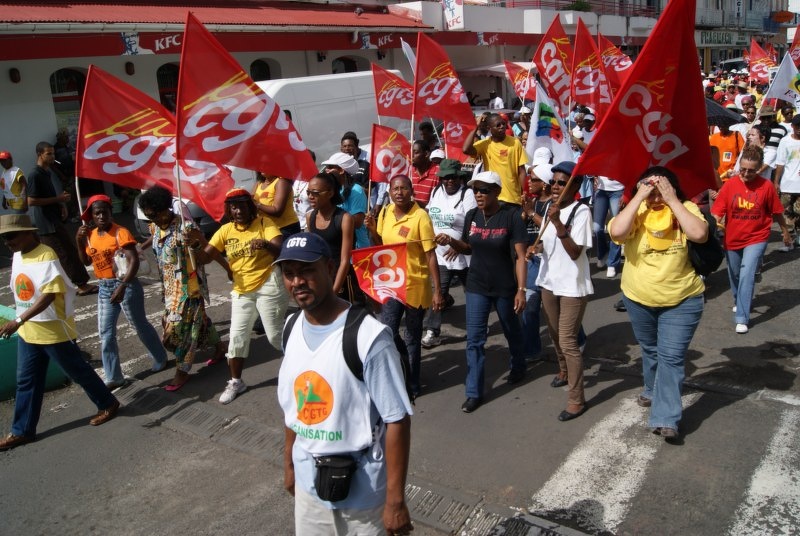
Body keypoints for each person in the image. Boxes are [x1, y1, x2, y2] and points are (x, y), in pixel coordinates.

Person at [275, 232, 413, 536]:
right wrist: (289, 464)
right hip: (310, 490)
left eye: (307, 270)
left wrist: (395, 500)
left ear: (329, 267)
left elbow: (396, 420)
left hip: (364, 498)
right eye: (289, 274)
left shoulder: (369, 337)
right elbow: (294, 409)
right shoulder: (291, 328)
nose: (297, 282)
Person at [0, 214, 120, 451]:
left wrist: (19, 319)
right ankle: (22, 431)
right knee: (26, 381)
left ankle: (108, 403)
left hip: (52, 331)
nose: (7, 242)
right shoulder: (18, 256)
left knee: (78, 372)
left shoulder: (46, 255)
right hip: (29, 332)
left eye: (11, 237)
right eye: (4, 238)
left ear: (27, 233)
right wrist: (21, 321)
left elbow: (49, 295)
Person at [608, 167, 708, 439]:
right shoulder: (635, 209)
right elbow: (616, 233)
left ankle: (666, 418)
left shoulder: (685, 207)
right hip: (638, 297)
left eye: (659, 191)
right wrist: (638, 196)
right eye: (650, 191)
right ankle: (652, 389)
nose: (655, 198)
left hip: (682, 298)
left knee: (671, 357)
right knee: (650, 348)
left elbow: (699, 234)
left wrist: (672, 200)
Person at [444, 171, 528, 413]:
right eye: (475, 190)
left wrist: (521, 290)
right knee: (475, 340)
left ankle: (519, 364)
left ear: (497, 192)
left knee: (511, 329)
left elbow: (521, 257)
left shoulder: (511, 216)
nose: (478, 194)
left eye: (484, 190)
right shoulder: (472, 216)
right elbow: (469, 248)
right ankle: (474, 392)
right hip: (477, 285)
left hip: (504, 287)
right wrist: (451, 241)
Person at [198, 188, 288, 404]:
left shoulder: (265, 224)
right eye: (233, 206)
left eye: (242, 205)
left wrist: (266, 244)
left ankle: (304, 364)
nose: (238, 210)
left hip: (269, 283)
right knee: (237, 338)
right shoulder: (225, 230)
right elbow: (204, 258)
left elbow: (280, 248)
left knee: (275, 335)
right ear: (229, 210)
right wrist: (194, 242)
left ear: (251, 206)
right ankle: (236, 381)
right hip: (241, 290)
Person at [75, 194, 168, 389]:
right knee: (106, 333)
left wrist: (123, 286)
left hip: (126, 285)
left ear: (111, 212)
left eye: (104, 212)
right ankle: (114, 377)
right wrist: (78, 240)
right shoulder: (90, 236)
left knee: (139, 324)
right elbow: (85, 262)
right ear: (91, 216)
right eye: (97, 213)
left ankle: (160, 356)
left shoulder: (121, 233)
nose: (101, 216)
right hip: (104, 287)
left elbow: (133, 261)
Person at [138, 186, 225, 391]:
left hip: (189, 288)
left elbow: (207, 250)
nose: (153, 220)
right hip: (169, 289)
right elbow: (157, 237)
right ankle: (219, 347)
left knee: (177, 333)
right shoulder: (155, 227)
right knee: (197, 322)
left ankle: (182, 371)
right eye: (149, 216)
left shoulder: (186, 227)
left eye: (155, 215)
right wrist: (140, 247)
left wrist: (227, 268)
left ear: (165, 208)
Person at [364, 175, 443, 397]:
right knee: (387, 330)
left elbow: (430, 255)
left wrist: (437, 291)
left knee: (412, 337)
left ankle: (413, 383)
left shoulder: (420, 217)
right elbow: (381, 246)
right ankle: (402, 369)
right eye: (395, 189)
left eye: (404, 188)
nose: (399, 192)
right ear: (389, 191)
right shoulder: (386, 212)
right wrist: (371, 229)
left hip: (415, 285)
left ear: (411, 191)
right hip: (391, 284)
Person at [536, 161, 594, 421]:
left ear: (576, 185)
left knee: (569, 341)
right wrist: (533, 249)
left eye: (562, 182)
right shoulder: (550, 207)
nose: (556, 187)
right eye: (554, 182)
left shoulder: (581, 211)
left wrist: (559, 224)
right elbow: (545, 243)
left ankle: (576, 400)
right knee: (554, 333)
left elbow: (574, 252)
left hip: (572, 285)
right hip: (549, 282)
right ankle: (563, 371)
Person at [712, 146, 792, 334]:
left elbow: (777, 212)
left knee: (747, 273)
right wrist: (711, 226)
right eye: (743, 169)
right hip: (733, 237)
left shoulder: (766, 187)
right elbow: (718, 212)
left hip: (757, 236)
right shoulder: (730, 185)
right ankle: (737, 298)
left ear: (759, 169)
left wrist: (785, 232)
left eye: (751, 170)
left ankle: (742, 316)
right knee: (734, 274)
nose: (746, 174)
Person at [26, 142, 97, 296]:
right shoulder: (35, 174)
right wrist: (57, 199)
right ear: (40, 154)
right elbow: (31, 201)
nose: (52, 157)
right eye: (49, 154)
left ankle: (65, 284)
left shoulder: (47, 172)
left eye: (53, 154)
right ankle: (81, 284)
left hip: (54, 218)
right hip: (46, 223)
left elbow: (49, 196)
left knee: (60, 253)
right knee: (64, 252)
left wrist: (61, 204)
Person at [422, 159, 477, 348]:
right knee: (438, 291)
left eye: (452, 177)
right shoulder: (437, 192)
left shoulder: (467, 194)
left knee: (472, 294)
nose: (449, 181)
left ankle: (477, 326)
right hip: (440, 256)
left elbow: (472, 222)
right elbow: (428, 215)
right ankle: (432, 331)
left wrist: (458, 244)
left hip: (464, 255)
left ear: (459, 177)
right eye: (445, 178)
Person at [305, 172, 362, 303]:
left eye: (315, 193)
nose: (310, 197)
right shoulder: (310, 217)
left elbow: (345, 260)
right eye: (308, 192)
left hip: (342, 279)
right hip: (320, 278)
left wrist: (333, 292)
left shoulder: (344, 218)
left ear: (330, 193)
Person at [521, 164, 553, 361]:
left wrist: (532, 213)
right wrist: (524, 213)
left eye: (533, 179)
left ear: (544, 183)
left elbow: (549, 228)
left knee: (554, 311)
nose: (529, 182)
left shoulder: (554, 204)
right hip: (531, 263)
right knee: (530, 308)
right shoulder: (531, 201)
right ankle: (532, 349)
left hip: (550, 262)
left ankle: (578, 339)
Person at [463, 113, 529, 206]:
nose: (502, 126)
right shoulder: (485, 144)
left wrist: (524, 192)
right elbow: (466, 149)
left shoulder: (515, 142)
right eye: (498, 125)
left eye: (503, 123)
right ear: (489, 128)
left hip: (513, 198)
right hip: (494, 198)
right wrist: (476, 127)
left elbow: (521, 171)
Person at [322, 152, 371, 249]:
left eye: (330, 167)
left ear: (341, 170)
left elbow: (357, 222)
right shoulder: (334, 190)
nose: (326, 170)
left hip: (357, 249)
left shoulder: (356, 191)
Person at [773, 114, 800, 250]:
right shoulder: (785, 141)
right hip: (787, 184)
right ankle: (788, 242)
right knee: (786, 214)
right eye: (797, 126)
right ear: (793, 126)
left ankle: (798, 238)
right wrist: (776, 182)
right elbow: (780, 163)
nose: (799, 129)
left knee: (799, 212)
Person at [253, 172, 301, 237]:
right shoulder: (259, 184)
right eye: (261, 164)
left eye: (266, 164)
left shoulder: (282, 182)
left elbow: (277, 211)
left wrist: (257, 204)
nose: (262, 167)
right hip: (268, 228)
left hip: (285, 228)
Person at [410, 140, 440, 208]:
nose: (412, 156)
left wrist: (416, 204)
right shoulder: (409, 171)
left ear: (426, 154)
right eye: (411, 152)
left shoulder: (438, 172)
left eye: (415, 152)